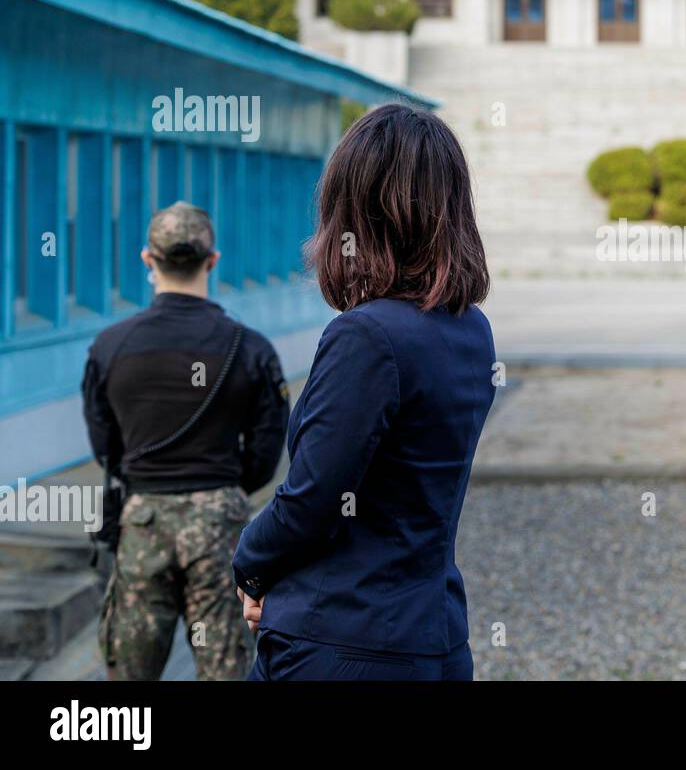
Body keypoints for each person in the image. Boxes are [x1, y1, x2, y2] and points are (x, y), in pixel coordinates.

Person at [233, 103, 495, 681]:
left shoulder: (367, 336)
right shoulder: (470, 329)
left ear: (354, 210)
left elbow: (310, 500)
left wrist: (249, 564)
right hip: (433, 639)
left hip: (342, 641)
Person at [82, 201, 289, 680]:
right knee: (226, 669)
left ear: (147, 260)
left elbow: (105, 447)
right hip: (221, 526)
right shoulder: (251, 349)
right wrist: (224, 484)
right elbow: (265, 452)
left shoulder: (109, 346)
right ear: (212, 261)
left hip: (142, 524)